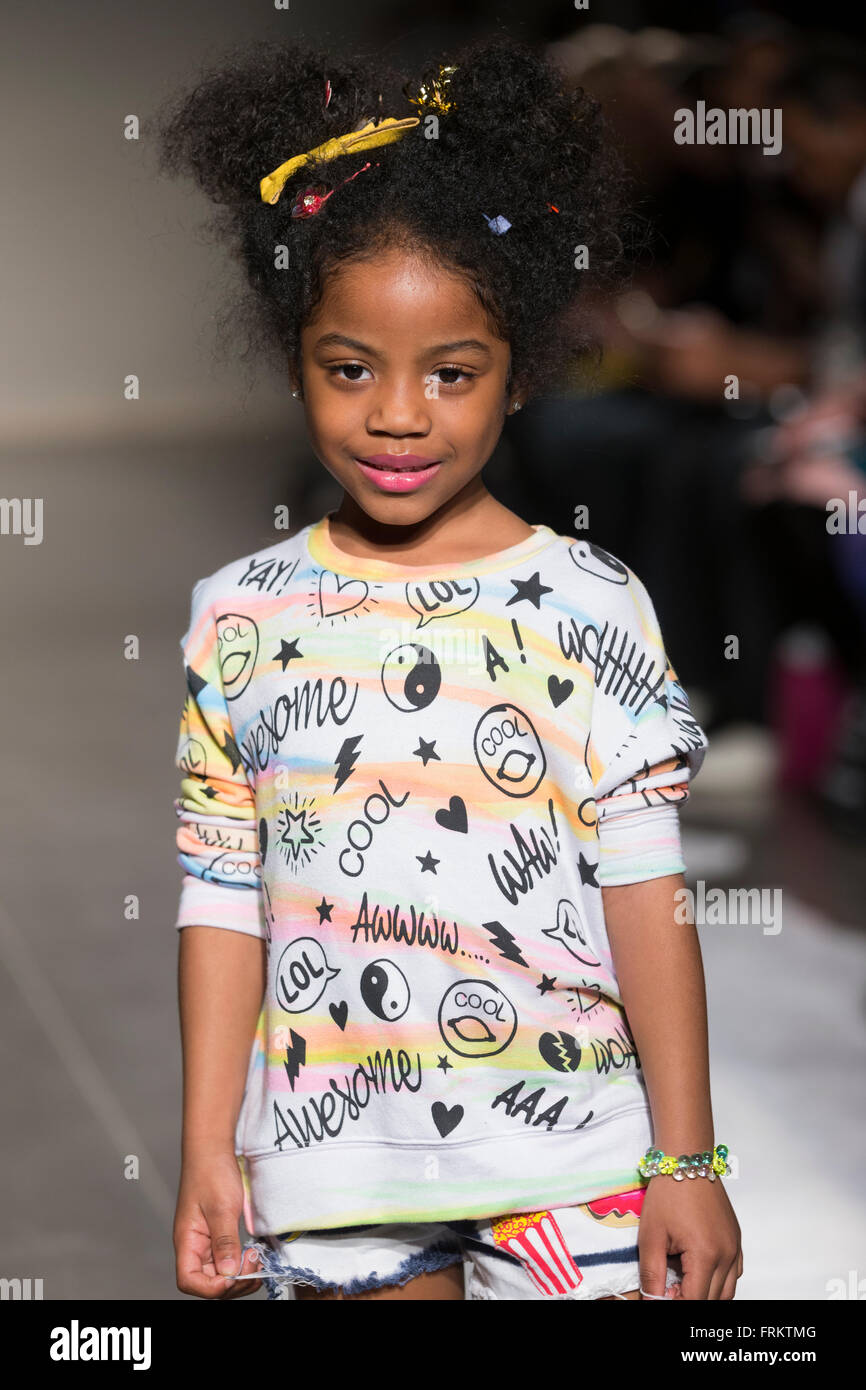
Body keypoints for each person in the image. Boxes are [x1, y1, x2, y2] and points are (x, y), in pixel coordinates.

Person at [156, 33, 742, 1302]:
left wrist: (686, 1156)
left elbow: (646, 890)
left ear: (519, 371)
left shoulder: (592, 604)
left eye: (452, 373)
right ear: (293, 358)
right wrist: (210, 1147)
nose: (399, 415)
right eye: (349, 367)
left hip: (575, 1158)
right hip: (325, 1168)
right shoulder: (238, 615)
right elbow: (219, 898)